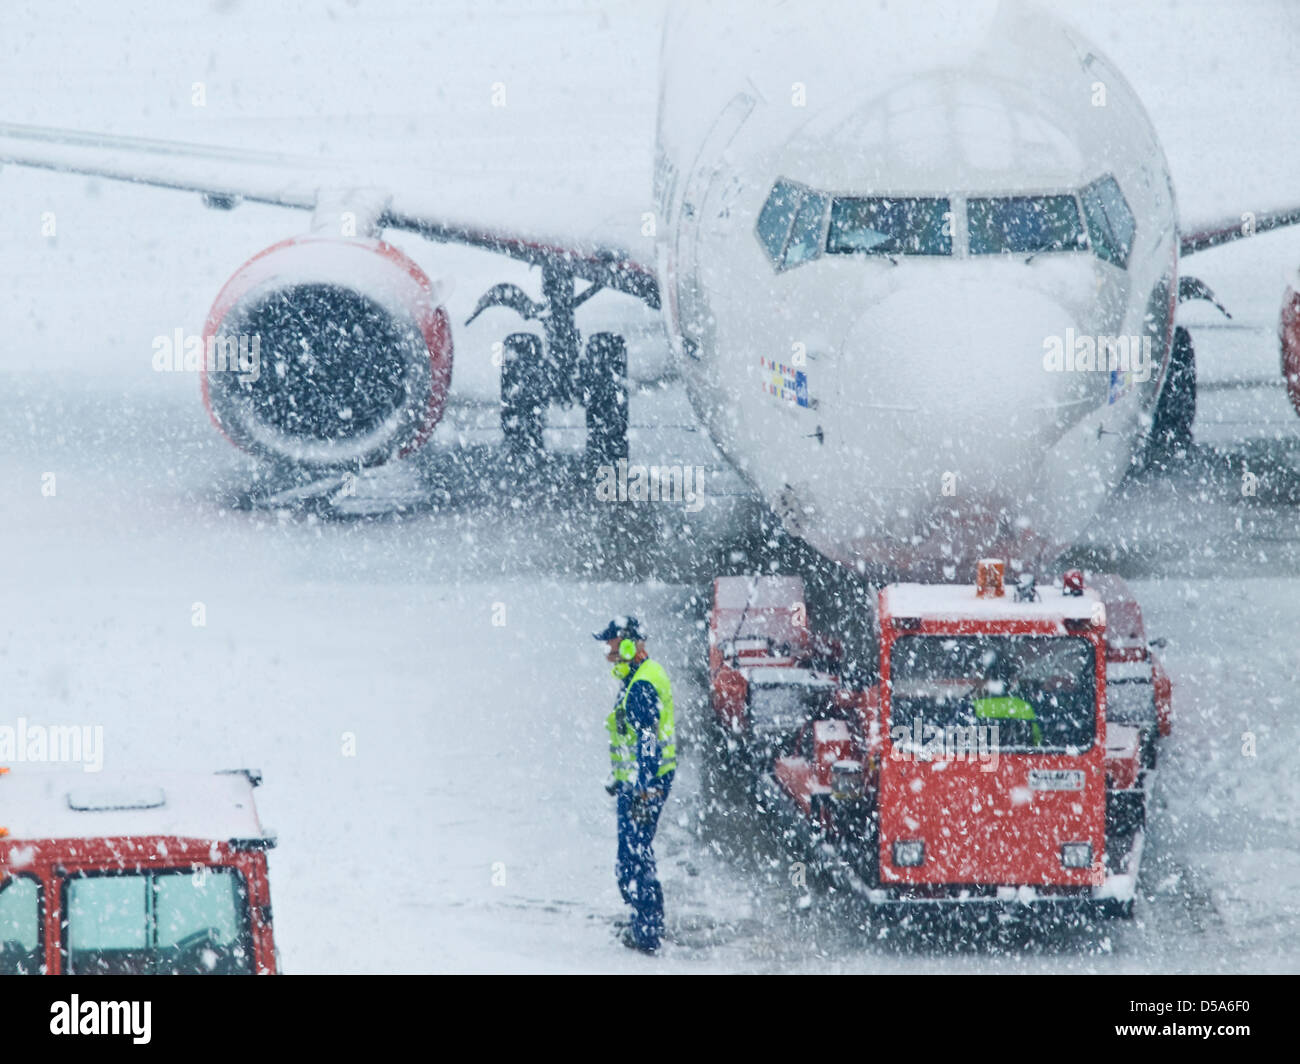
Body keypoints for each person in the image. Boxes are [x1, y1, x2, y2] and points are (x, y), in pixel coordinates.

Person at [595, 616, 675, 953]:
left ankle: (647, 935)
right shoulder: (637, 677)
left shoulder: (641, 685)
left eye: (612, 645)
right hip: (637, 784)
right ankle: (644, 923)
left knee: (634, 858)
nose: (608, 652)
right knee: (632, 856)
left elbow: (647, 744)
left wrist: (643, 788)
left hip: (645, 786)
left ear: (628, 645)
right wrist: (621, 780)